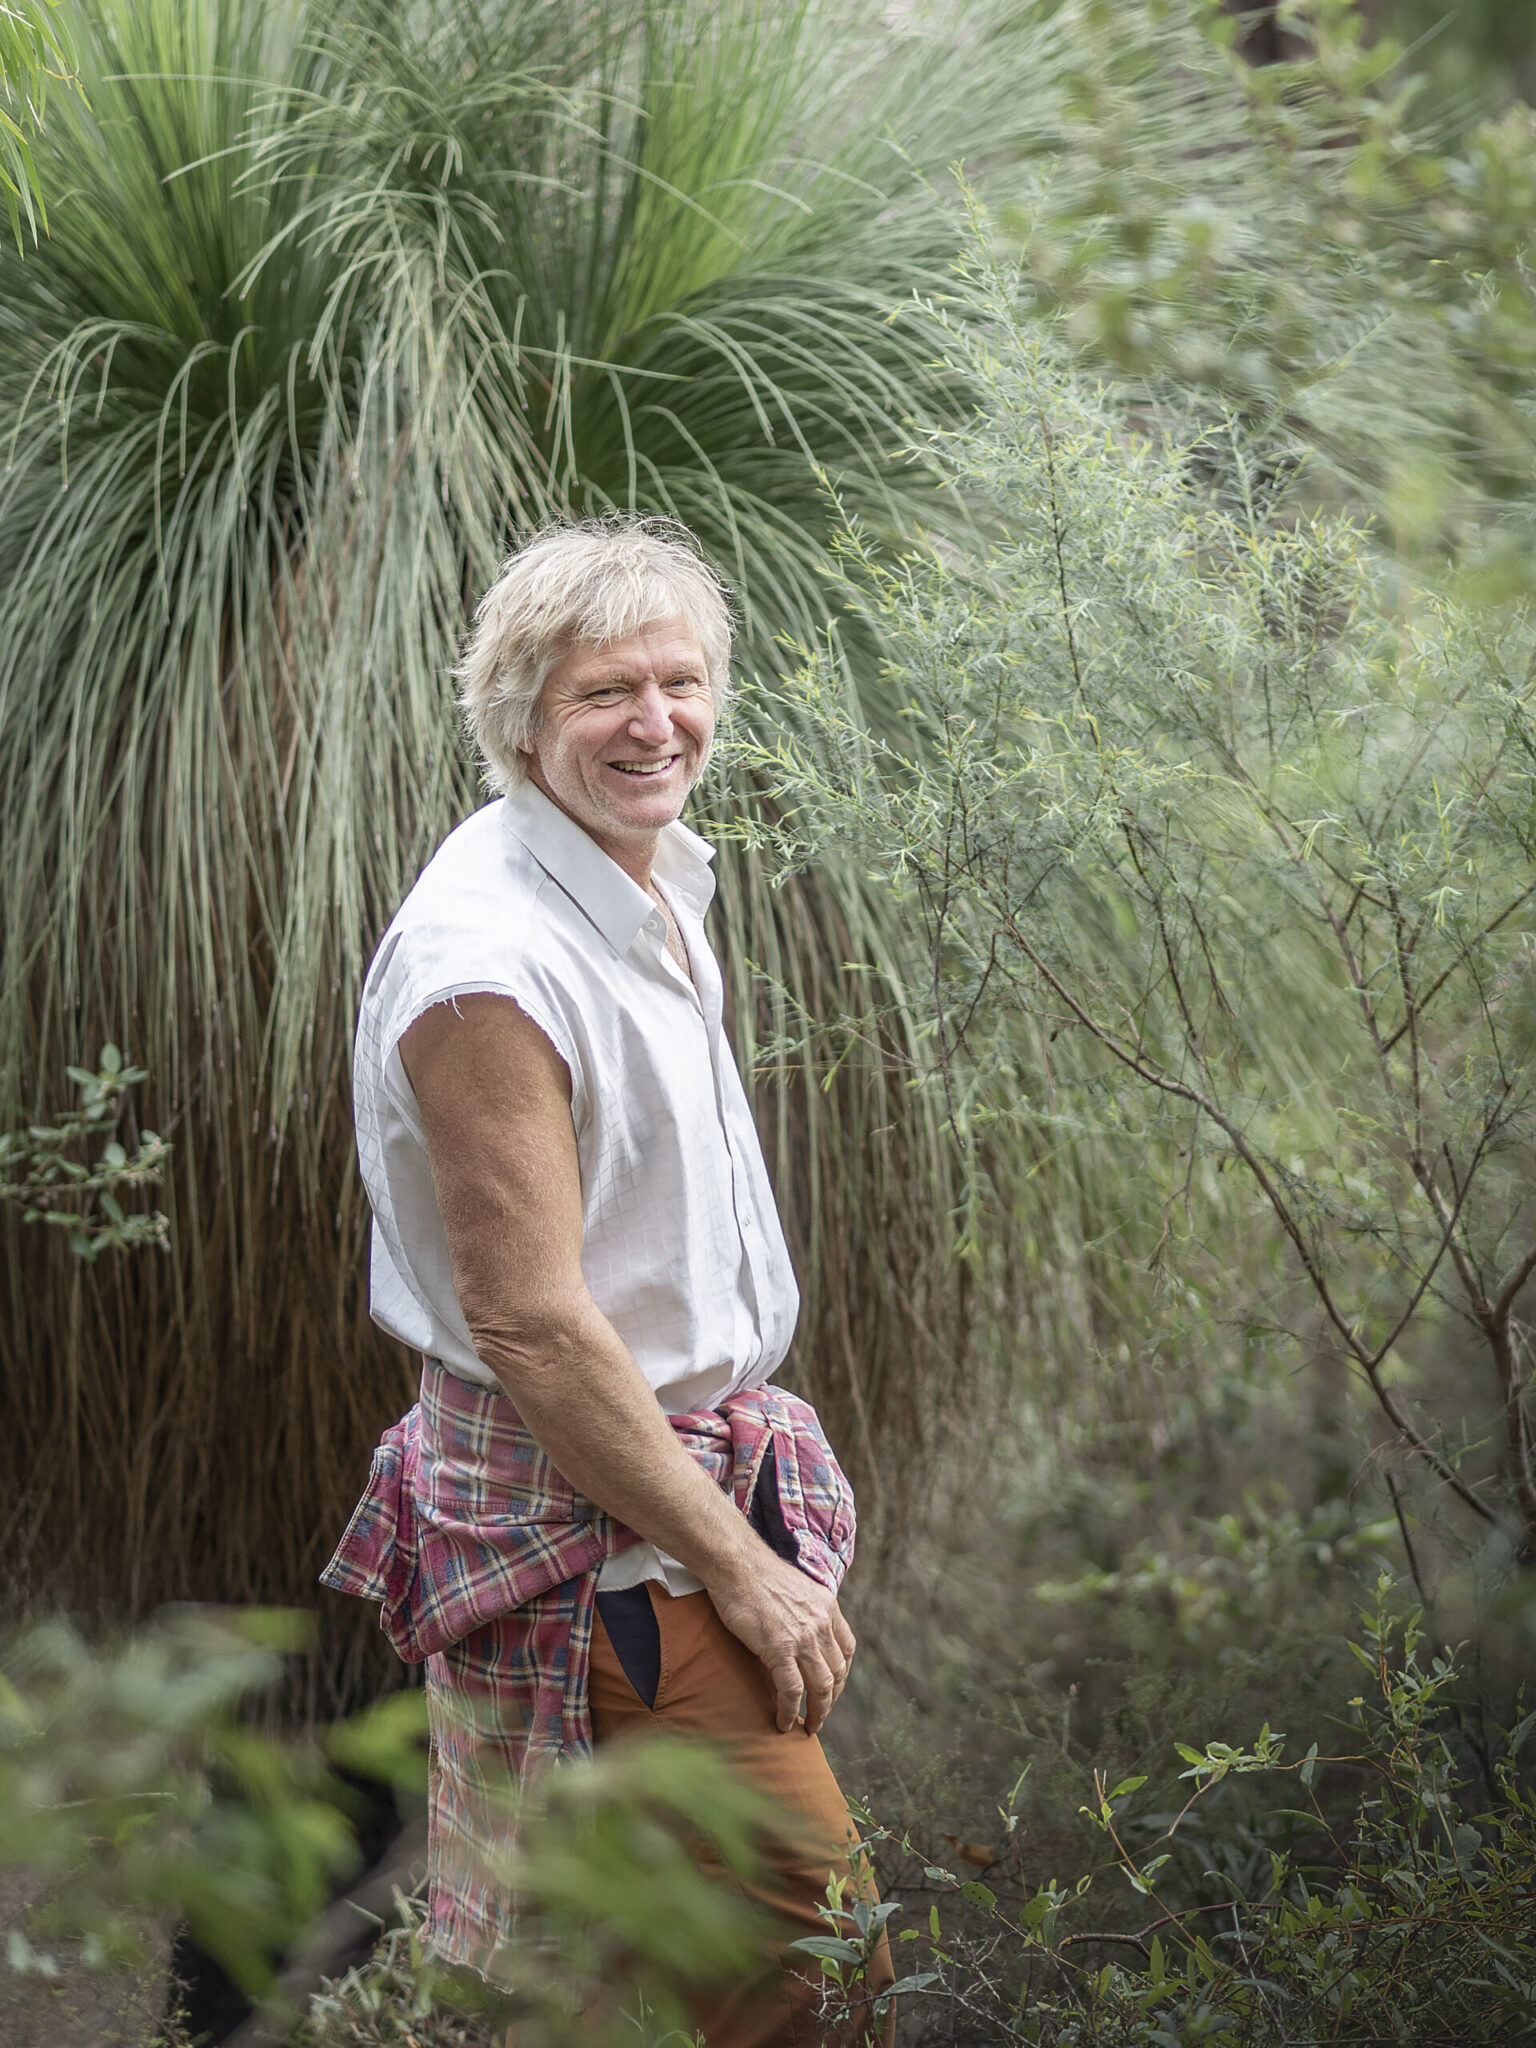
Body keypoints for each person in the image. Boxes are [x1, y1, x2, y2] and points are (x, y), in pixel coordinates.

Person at [322, 517, 895, 2045]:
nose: (657, 724)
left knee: (609, 1997)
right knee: (817, 1976)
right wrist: (741, 1566)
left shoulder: (635, 876)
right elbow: (528, 1317)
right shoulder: (489, 963)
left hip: (656, 1503)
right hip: (614, 1539)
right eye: (604, 696)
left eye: (682, 682)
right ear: (520, 720)